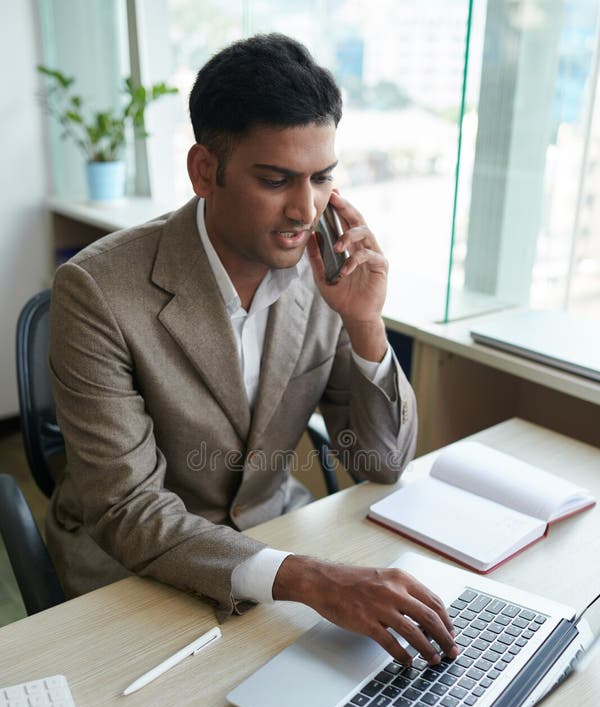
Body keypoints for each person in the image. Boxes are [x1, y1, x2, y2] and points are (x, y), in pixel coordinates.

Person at [47, 33, 457, 666]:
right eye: (276, 180)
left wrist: (366, 324)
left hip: (275, 538)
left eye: (323, 178)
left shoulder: (328, 272)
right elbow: (127, 509)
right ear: (205, 171)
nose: (305, 208)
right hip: (131, 570)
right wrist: (310, 579)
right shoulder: (98, 290)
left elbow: (381, 462)